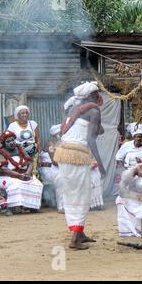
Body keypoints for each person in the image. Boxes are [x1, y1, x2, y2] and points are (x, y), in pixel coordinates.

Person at [54, 81, 106, 250]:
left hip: (63, 154)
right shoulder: (93, 110)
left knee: (72, 194)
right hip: (77, 156)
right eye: (97, 93)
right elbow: (90, 139)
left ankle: (80, 233)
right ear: (91, 95)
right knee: (82, 196)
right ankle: (75, 239)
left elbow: (76, 131)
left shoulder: (72, 108)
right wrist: (101, 165)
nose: (99, 97)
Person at [0, 131, 43, 214]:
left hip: (23, 174)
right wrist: (19, 175)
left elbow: (30, 162)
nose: (11, 142)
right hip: (5, 177)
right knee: (16, 184)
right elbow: (2, 169)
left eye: (12, 140)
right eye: (8, 141)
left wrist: (27, 172)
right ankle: (11, 207)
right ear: (4, 143)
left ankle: (32, 206)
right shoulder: (0, 153)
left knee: (37, 183)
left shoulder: (20, 149)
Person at [39, 124, 62, 211]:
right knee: (61, 178)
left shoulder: (62, 142)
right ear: (56, 134)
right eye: (61, 133)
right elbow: (55, 162)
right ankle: (62, 205)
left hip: (57, 167)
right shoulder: (50, 145)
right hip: (49, 169)